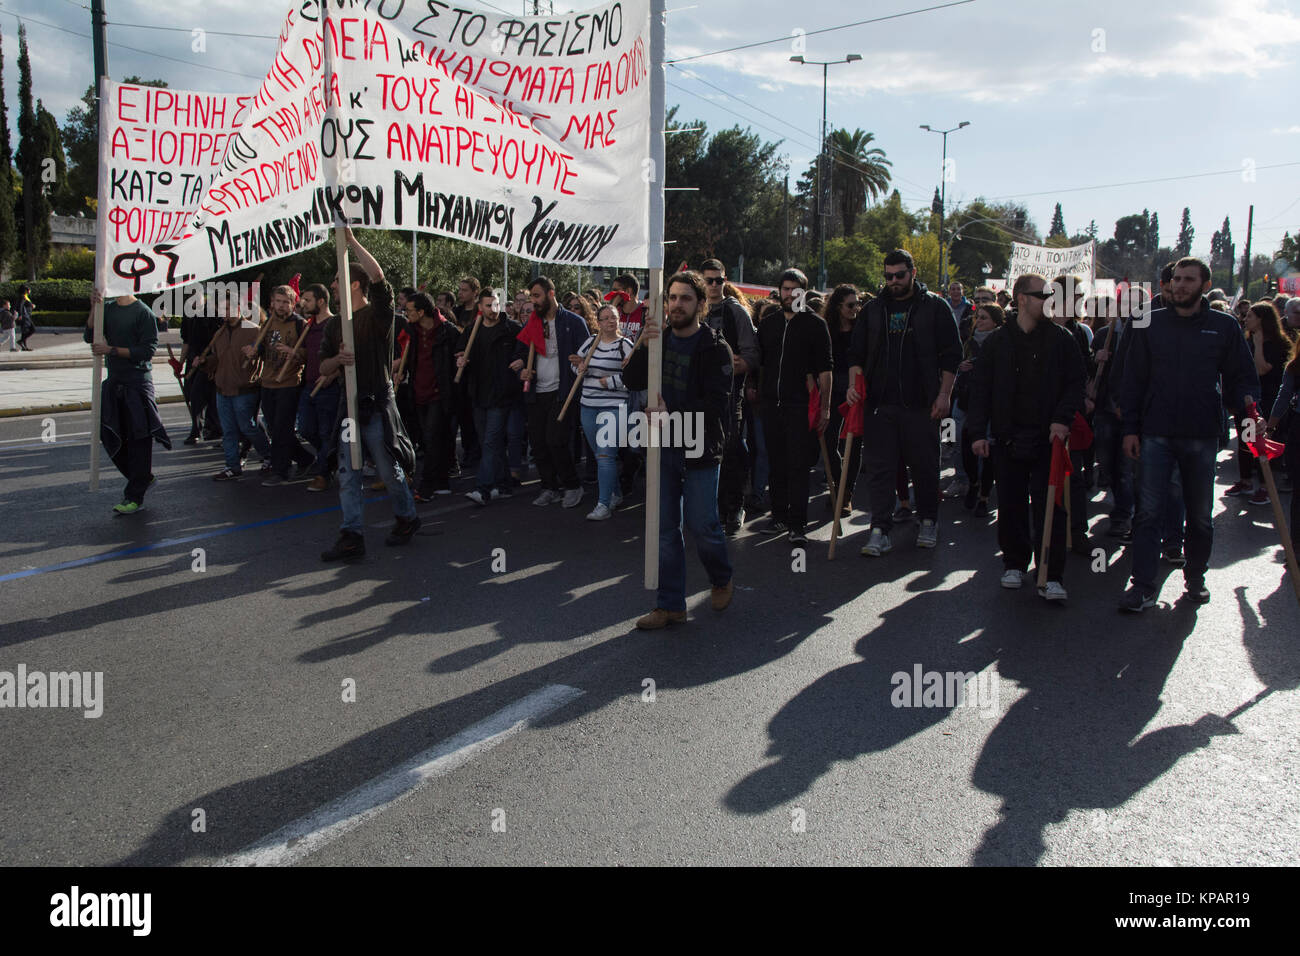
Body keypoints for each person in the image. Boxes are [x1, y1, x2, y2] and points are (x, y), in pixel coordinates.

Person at [1119, 257, 1259, 611]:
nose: (1179, 284)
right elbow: (1133, 379)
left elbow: (1242, 374)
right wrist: (1130, 428)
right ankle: (1143, 586)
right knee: (1148, 513)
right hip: (1155, 433)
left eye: (1188, 279)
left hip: (1201, 434)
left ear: (1203, 285)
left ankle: (1195, 579)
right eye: (1176, 279)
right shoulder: (1149, 323)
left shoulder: (1224, 326)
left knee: (1199, 514)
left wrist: (1247, 402)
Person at [622, 271, 734, 629]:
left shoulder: (715, 348)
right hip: (663, 449)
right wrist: (643, 343)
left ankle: (721, 577)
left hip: (699, 447)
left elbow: (718, 404)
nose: (676, 305)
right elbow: (632, 380)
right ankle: (670, 605)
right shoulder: (660, 340)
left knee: (702, 525)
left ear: (701, 304)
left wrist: (673, 414)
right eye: (671, 298)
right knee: (664, 529)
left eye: (685, 298)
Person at [965, 274, 1085, 600]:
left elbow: (1076, 384)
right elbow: (981, 392)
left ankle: (1051, 572)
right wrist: (977, 433)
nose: (1049, 300)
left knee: (1051, 506)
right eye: (1042, 295)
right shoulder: (996, 343)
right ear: (1021, 299)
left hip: (1050, 438)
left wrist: (1062, 419)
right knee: (1012, 503)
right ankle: (1015, 563)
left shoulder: (1062, 339)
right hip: (1007, 438)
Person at [847, 249, 962, 555]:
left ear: (913, 272)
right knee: (880, 470)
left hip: (922, 404)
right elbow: (856, 354)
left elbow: (952, 354)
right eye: (888, 276)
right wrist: (852, 386)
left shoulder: (935, 307)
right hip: (879, 405)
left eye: (899, 275)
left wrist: (944, 394)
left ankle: (928, 520)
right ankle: (880, 528)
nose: (894, 281)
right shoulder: (873, 309)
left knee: (924, 467)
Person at [318, 226, 421, 561]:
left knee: (386, 469)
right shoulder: (334, 325)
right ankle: (352, 536)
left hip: (375, 405)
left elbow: (379, 277)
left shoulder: (379, 316)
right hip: (347, 410)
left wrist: (351, 242)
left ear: (355, 284)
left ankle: (407, 518)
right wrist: (337, 360)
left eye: (338, 279)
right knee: (348, 474)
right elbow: (322, 368)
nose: (333, 285)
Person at [755, 269, 832, 546]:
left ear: (804, 292)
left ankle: (798, 525)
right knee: (776, 465)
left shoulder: (815, 324)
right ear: (779, 292)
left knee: (798, 466)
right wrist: (756, 390)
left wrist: (825, 409)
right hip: (770, 405)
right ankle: (779, 517)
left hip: (800, 406)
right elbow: (760, 363)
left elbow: (826, 370)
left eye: (795, 289)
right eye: (785, 289)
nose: (790, 294)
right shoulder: (769, 323)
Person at [84, 290, 171, 514]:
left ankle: (134, 496)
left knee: (139, 438)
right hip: (114, 383)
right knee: (108, 435)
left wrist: (111, 350)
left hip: (137, 384)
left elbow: (147, 351)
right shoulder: (109, 309)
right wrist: (95, 307)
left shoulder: (143, 312)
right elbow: (90, 336)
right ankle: (142, 477)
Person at [513, 276, 590, 509]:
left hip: (562, 391)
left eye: (537, 296)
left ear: (551, 294)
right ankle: (549, 487)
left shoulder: (574, 322)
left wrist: (582, 361)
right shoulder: (532, 323)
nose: (533, 301)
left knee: (556, 440)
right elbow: (520, 353)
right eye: (531, 297)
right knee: (538, 443)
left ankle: (572, 485)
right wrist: (522, 369)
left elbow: (587, 354)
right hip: (537, 392)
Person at [700, 259, 760, 535]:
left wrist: (726, 365)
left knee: (731, 449)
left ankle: (734, 507)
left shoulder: (736, 312)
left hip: (729, 394)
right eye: (708, 280)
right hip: (697, 395)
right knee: (700, 452)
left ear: (725, 281)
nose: (713, 285)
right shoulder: (693, 308)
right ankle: (708, 508)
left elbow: (751, 356)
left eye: (718, 280)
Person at [456, 288, 524, 507]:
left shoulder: (511, 329)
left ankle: (483, 489)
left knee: (491, 441)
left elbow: (524, 351)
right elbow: (460, 353)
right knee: (490, 444)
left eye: (496, 305)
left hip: (502, 395)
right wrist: (460, 361)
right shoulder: (471, 331)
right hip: (478, 394)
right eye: (488, 305)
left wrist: (520, 361)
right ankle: (503, 484)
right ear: (480, 307)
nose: (493, 310)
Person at [572, 303, 634, 519]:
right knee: (601, 456)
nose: (610, 321)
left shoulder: (626, 345)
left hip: (614, 406)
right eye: (606, 318)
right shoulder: (591, 341)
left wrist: (612, 382)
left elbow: (634, 378)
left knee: (606, 454)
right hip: (588, 405)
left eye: (614, 317)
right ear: (598, 322)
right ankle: (615, 493)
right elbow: (577, 364)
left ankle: (603, 505)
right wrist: (579, 367)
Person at [1049, 275, 1096, 551]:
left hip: (1071, 415)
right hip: (1043, 413)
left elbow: (1081, 371)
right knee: (1046, 478)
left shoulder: (1079, 331)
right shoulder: (1041, 327)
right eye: (1077, 294)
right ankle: (1048, 531)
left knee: (1073, 476)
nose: (1081, 299)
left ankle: (1077, 532)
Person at [1229, 302, 1293, 506]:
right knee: (1246, 441)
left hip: (1267, 400)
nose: (1245, 320)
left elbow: (1262, 369)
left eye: (1250, 317)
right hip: (1247, 400)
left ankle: (1265, 487)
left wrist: (1258, 344)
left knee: (1263, 445)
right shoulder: (1244, 340)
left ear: (1262, 320)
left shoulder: (1279, 344)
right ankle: (1246, 481)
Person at [399, 291, 459, 501]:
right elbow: (408, 358)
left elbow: (457, 361)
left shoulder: (447, 332)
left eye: (409, 310)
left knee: (433, 438)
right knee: (431, 439)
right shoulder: (411, 331)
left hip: (439, 393)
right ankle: (442, 481)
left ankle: (426, 485)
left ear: (422, 311)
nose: (406, 313)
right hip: (418, 391)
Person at [204, 293, 271, 481]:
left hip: (245, 388)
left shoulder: (253, 330)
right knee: (228, 431)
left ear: (238, 308)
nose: (223, 312)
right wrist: (204, 363)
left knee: (248, 427)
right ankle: (232, 465)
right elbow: (218, 360)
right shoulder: (219, 333)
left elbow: (265, 354)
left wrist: (255, 352)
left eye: (227, 308)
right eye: (221, 309)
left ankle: (268, 454)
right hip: (222, 388)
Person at [256, 285, 316, 486]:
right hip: (268, 381)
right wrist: (251, 351)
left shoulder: (300, 324)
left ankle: (280, 470)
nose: (281, 306)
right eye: (278, 301)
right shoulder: (268, 323)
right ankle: (305, 459)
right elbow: (262, 349)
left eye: (285, 302)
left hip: (288, 382)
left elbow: (310, 354)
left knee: (282, 428)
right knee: (275, 428)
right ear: (272, 302)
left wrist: (295, 353)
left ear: (293, 304)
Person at [955, 301, 1003, 515]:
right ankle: (972, 482)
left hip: (992, 404)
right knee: (964, 446)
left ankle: (984, 496)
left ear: (995, 322)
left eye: (984, 318)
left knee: (989, 451)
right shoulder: (968, 342)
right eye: (978, 317)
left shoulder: (1002, 343)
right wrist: (961, 367)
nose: (979, 321)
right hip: (967, 400)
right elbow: (954, 365)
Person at [294, 284, 341, 492]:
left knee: (325, 432)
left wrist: (333, 374)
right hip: (309, 385)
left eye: (308, 300)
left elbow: (346, 356)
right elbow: (306, 354)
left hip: (328, 387)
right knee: (305, 428)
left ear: (321, 301)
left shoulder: (335, 325)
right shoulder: (308, 326)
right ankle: (330, 458)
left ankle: (323, 473)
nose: (303, 303)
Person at [824, 284, 865, 518]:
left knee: (853, 444)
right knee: (830, 443)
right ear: (838, 306)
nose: (855, 308)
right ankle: (837, 485)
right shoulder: (827, 329)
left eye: (857, 304)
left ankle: (847, 493)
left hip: (855, 389)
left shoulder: (861, 329)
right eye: (850, 305)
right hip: (832, 389)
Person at [178, 297, 222, 444]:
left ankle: (208, 428)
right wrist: (180, 362)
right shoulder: (189, 314)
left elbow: (217, 342)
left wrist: (212, 364)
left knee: (208, 396)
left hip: (208, 361)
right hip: (193, 361)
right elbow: (187, 341)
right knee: (192, 394)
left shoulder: (213, 314)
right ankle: (200, 427)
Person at [16, 285, 36, 351]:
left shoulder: (25, 297)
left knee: (24, 332)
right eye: (28, 289)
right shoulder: (22, 297)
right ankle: (21, 341)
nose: (30, 291)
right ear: (26, 290)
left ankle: (24, 347)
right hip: (25, 316)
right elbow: (20, 306)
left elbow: (26, 305)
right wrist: (20, 315)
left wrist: (31, 305)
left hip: (27, 316)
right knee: (32, 329)